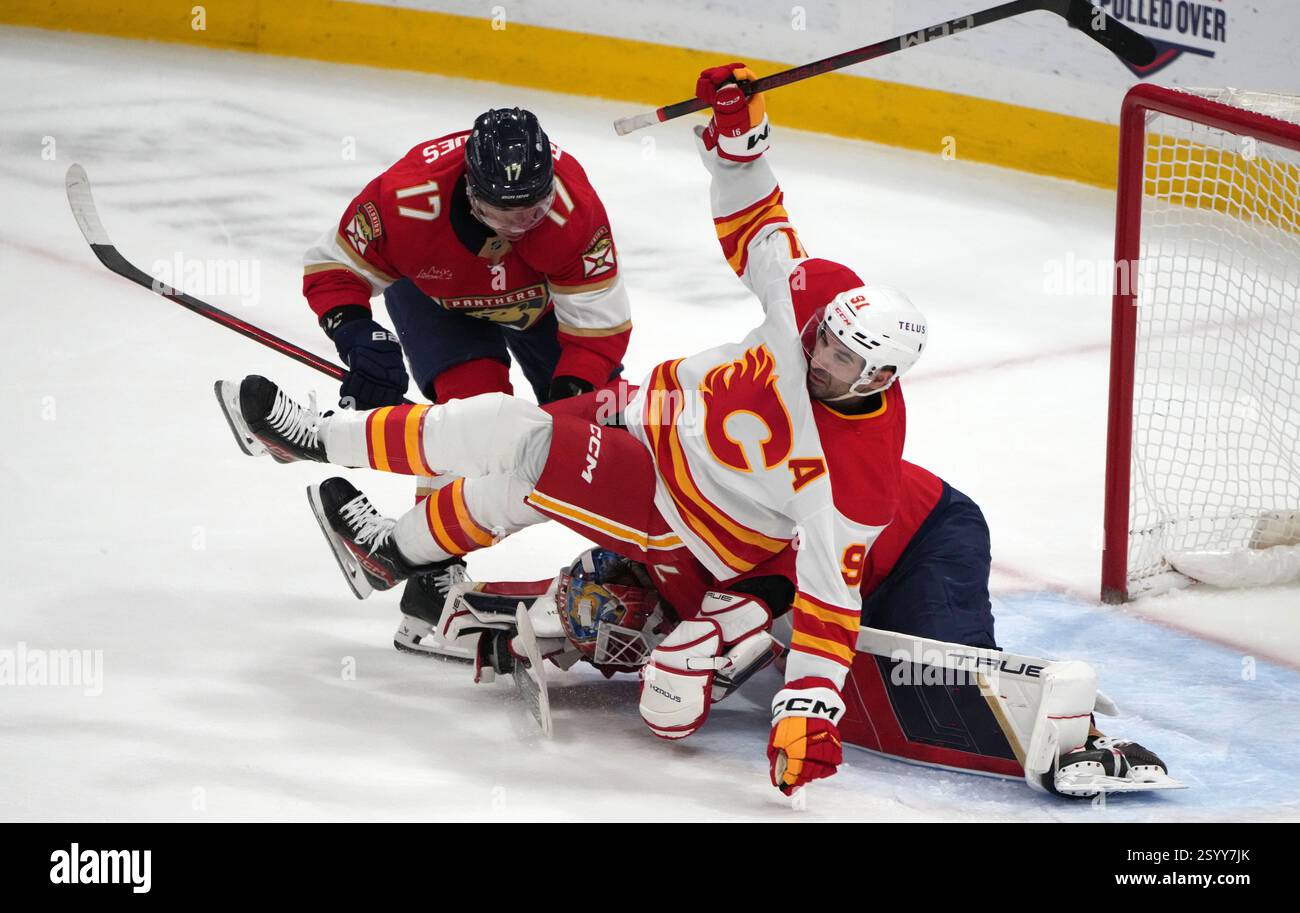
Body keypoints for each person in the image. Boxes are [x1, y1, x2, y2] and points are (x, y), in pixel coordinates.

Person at [221, 64, 928, 794]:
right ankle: (389, 551)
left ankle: (326, 445)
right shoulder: (814, 303)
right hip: (651, 416)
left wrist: (807, 710)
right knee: (519, 468)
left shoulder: (860, 479)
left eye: (844, 359)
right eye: (827, 340)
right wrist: (738, 137)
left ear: (879, 379)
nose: (822, 355)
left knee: (516, 439)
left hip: (680, 520)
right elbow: (759, 228)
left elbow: (831, 609)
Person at [301, 107, 632, 651]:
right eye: (500, 212)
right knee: (474, 412)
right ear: (467, 188)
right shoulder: (406, 200)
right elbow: (331, 267)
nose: (517, 226)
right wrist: (358, 334)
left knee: (600, 430)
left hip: (541, 305)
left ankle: (634, 565)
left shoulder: (575, 213)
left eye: (532, 210)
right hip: (438, 297)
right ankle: (429, 579)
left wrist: (571, 399)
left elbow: (596, 331)